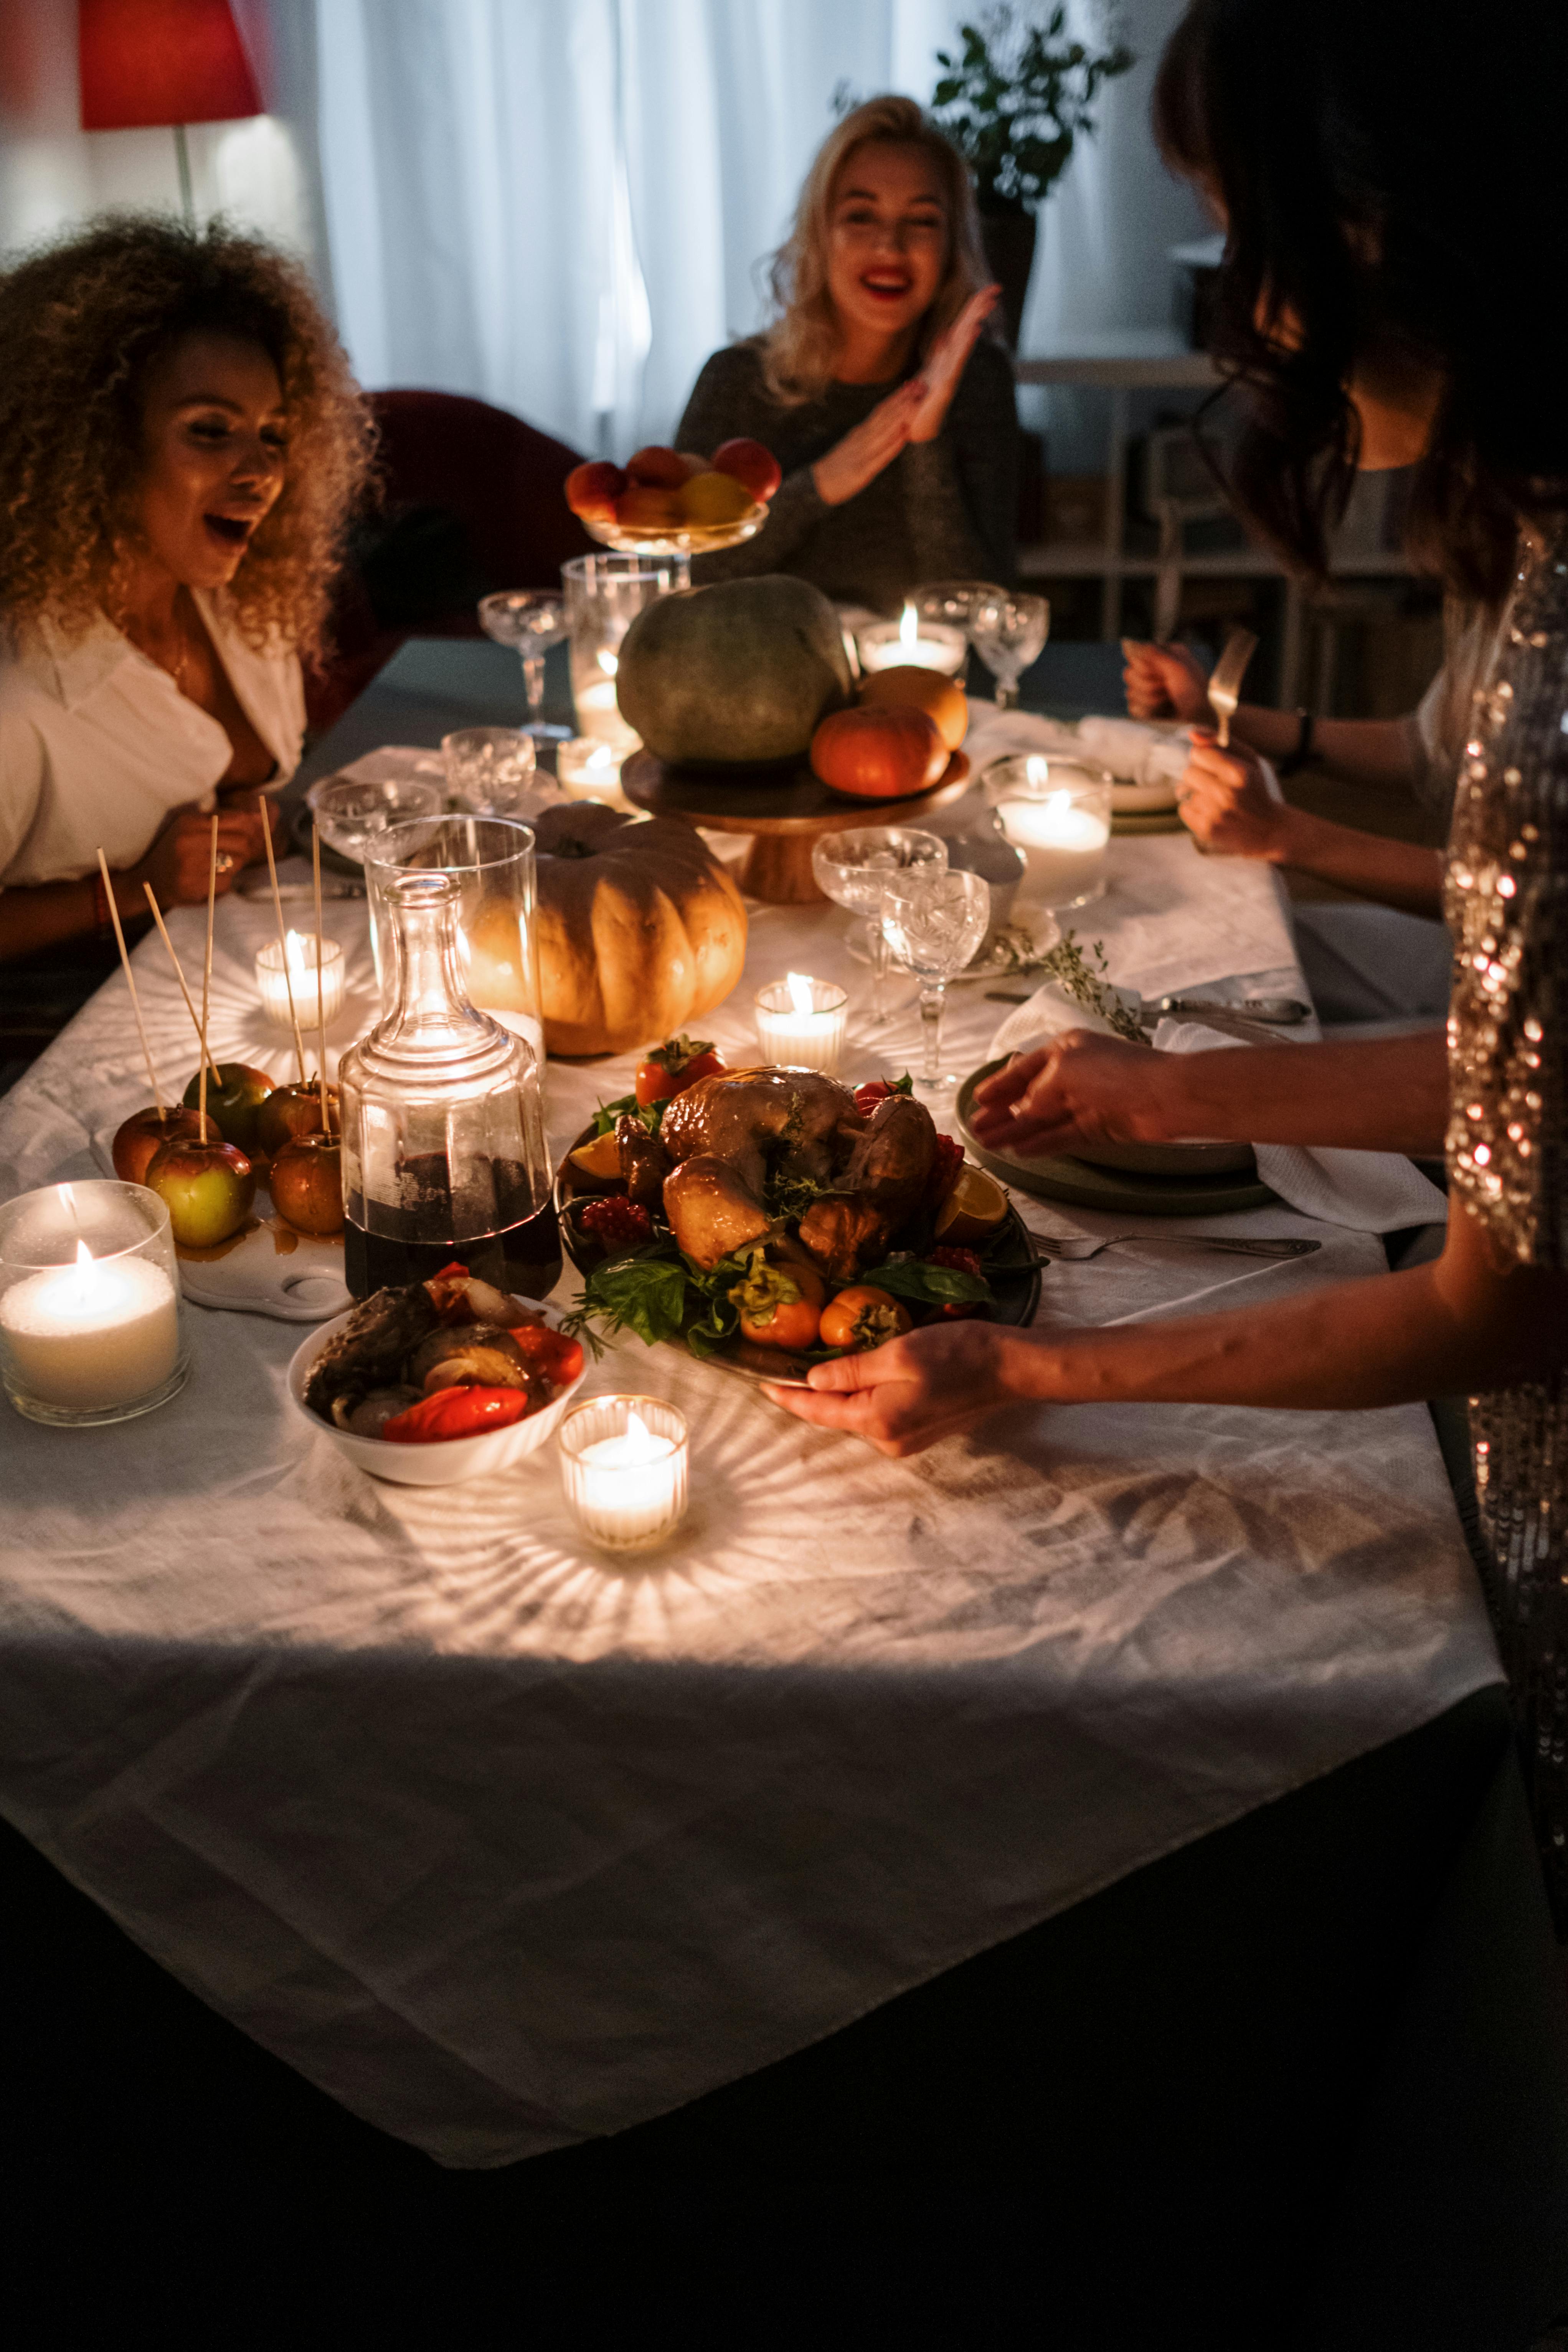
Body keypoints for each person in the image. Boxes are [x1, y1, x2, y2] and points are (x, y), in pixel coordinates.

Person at [770, 0, 1568, 1932]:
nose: (1238, 312)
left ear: (1367, 226)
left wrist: (1029, 1363)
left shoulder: (1554, 670)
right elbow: (1522, 1081)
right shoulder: (1529, 550)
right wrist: (1176, 1089)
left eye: (1228, 224)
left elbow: (1500, 1302)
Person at [0, 216, 373, 967]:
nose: (261, 471)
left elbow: (244, 795)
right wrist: (132, 887)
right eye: (210, 430)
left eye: (273, 435)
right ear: (99, 442)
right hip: (73, 1015)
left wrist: (254, 826)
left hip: (239, 969)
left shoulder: (248, 608)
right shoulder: (19, 697)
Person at [674, 96, 1016, 611]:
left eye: (922, 221)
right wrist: (822, 483)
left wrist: (924, 442)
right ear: (819, 234)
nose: (890, 247)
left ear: (951, 247)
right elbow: (686, 582)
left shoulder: (979, 382)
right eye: (861, 216)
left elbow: (981, 608)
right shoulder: (735, 381)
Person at [1121, 620, 1499, 1026]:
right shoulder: (1506, 597)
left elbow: (1520, 897)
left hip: (1518, 1003)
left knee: (1213, 1034)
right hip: (1462, 943)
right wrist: (1217, 715)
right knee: (1204, 958)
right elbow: (1427, 750)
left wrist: (1281, 834)